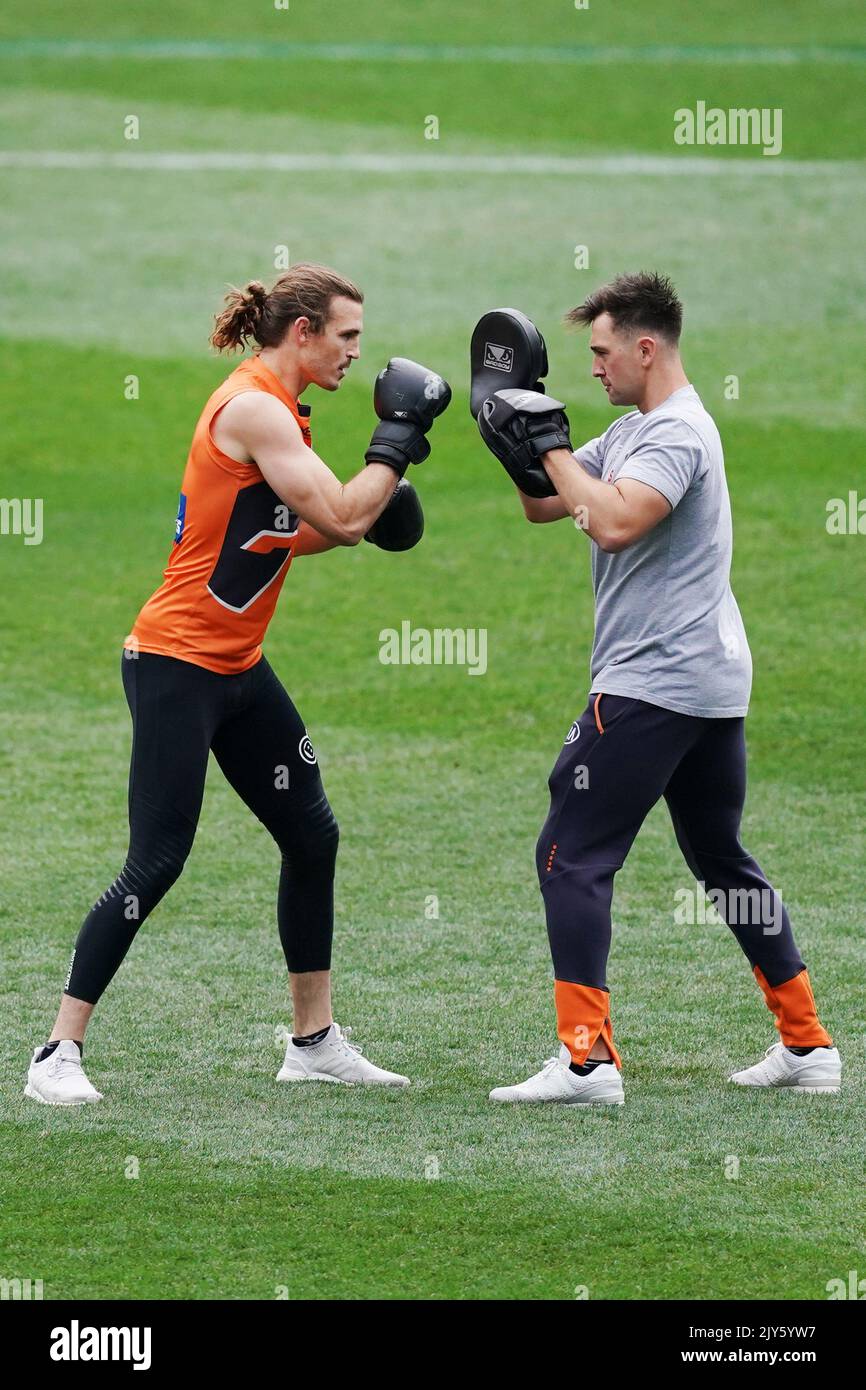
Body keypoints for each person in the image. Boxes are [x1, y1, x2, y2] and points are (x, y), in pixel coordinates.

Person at [26, 262, 450, 1105]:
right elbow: (343, 514)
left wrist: (376, 493)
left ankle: (314, 1042)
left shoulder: (284, 414)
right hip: (177, 666)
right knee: (157, 859)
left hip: (239, 670)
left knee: (312, 834)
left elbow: (301, 530)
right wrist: (394, 447)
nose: (354, 356)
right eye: (348, 337)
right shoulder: (255, 408)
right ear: (304, 333)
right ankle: (56, 1053)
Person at [470, 273, 839, 1104]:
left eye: (601, 352)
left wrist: (553, 443)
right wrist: (508, 428)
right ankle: (808, 1044)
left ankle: (586, 1060)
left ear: (645, 348)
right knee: (719, 857)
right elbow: (549, 507)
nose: (593, 368)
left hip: (656, 684)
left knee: (569, 854)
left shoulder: (677, 437)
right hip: (706, 684)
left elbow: (612, 519)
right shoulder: (636, 428)